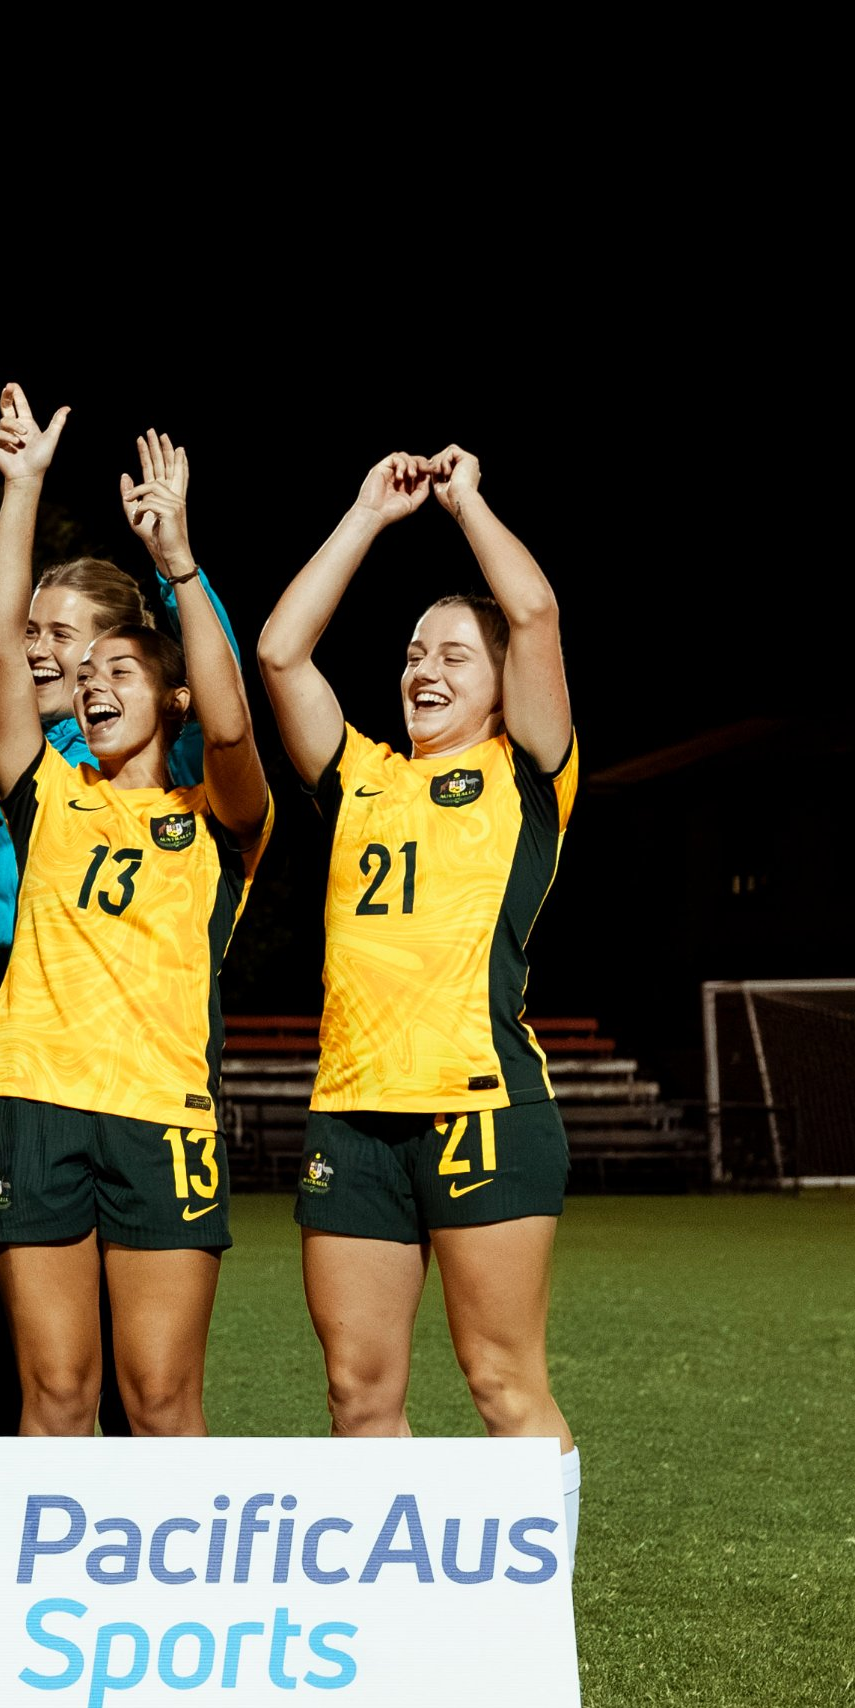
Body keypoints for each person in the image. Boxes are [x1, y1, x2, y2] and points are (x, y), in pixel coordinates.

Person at [254, 444, 578, 1470]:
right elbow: (278, 654)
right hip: (350, 1116)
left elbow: (532, 614)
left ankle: (537, 1628)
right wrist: (364, 514)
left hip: (483, 1107)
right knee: (357, 1396)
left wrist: (467, 504)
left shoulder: (527, 773)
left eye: (450, 655)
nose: (421, 670)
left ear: (498, 687)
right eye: (410, 653)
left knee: (501, 1382)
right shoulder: (359, 776)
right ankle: (392, 1626)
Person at [0, 395, 273, 1435]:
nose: (90, 683)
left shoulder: (218, 817)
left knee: (161, 1401)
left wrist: (178, 566)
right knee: (52, 1397)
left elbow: (231, 724)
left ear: (171, 698)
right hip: (31, 1102)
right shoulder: (47, 792)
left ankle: (167, 1601)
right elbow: (3, 655)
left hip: (159, 1116)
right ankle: (44, 1598)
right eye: (85, 674)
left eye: (118, 669)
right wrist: (20, 488)